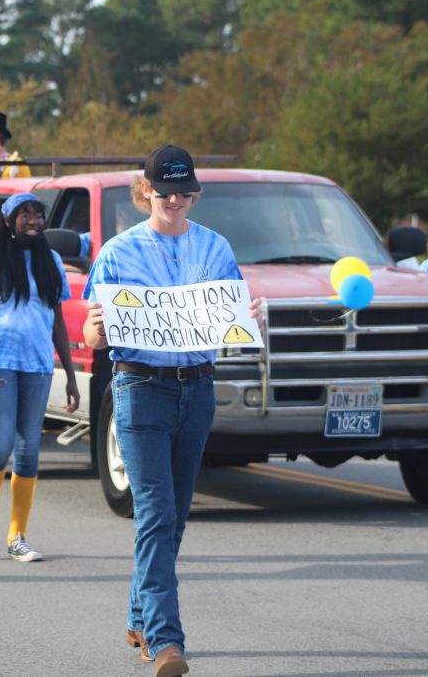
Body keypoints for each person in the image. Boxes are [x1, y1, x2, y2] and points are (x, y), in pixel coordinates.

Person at [82, 145, 243, 677]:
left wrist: (245, 317)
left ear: (194, 192)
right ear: (145, 190)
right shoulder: (119, 253)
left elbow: (229, 318)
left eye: (184, 191)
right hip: (139, 388)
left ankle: (138, 613)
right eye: (165, 190)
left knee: (172, 517)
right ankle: (164, 640)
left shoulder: (216, 248)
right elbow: (91, 328)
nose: (175, 199)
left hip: (195, 389)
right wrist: (95, 331)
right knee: (154, 511)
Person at [0, 192, 79, 563]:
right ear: (8, 219)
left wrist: (72, 375)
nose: (32, 220)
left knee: (29, 449)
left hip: (38, 364)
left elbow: (57, 319)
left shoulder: (52, 260)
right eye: (24, 214)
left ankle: (18, 536)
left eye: (37, 214)